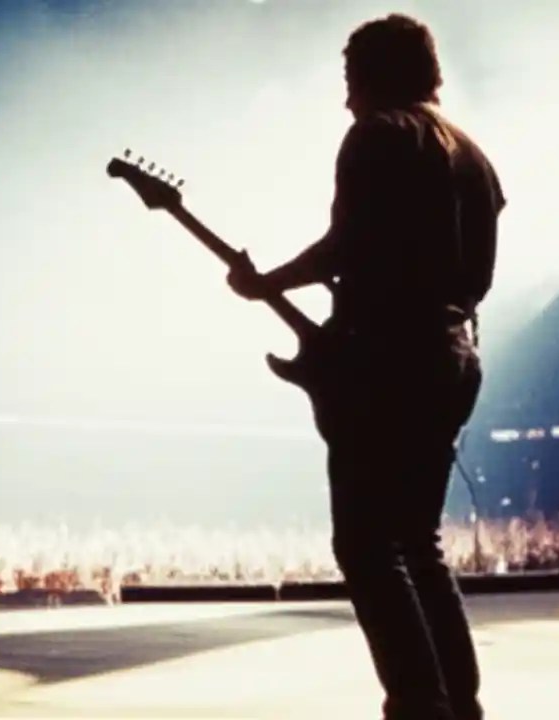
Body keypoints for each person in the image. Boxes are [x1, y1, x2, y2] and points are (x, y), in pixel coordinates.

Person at [227, 14, 505, 720]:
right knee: (419, 541)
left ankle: (417, 705)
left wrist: (270, 284)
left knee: (368, 546)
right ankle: (459, 704)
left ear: (377, 76)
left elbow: (346, 244)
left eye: (352, 80)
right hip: (452, 355)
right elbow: (473, 276)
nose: (346, 98)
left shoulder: (379, 134)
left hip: (389, 361)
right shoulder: (476, 157)